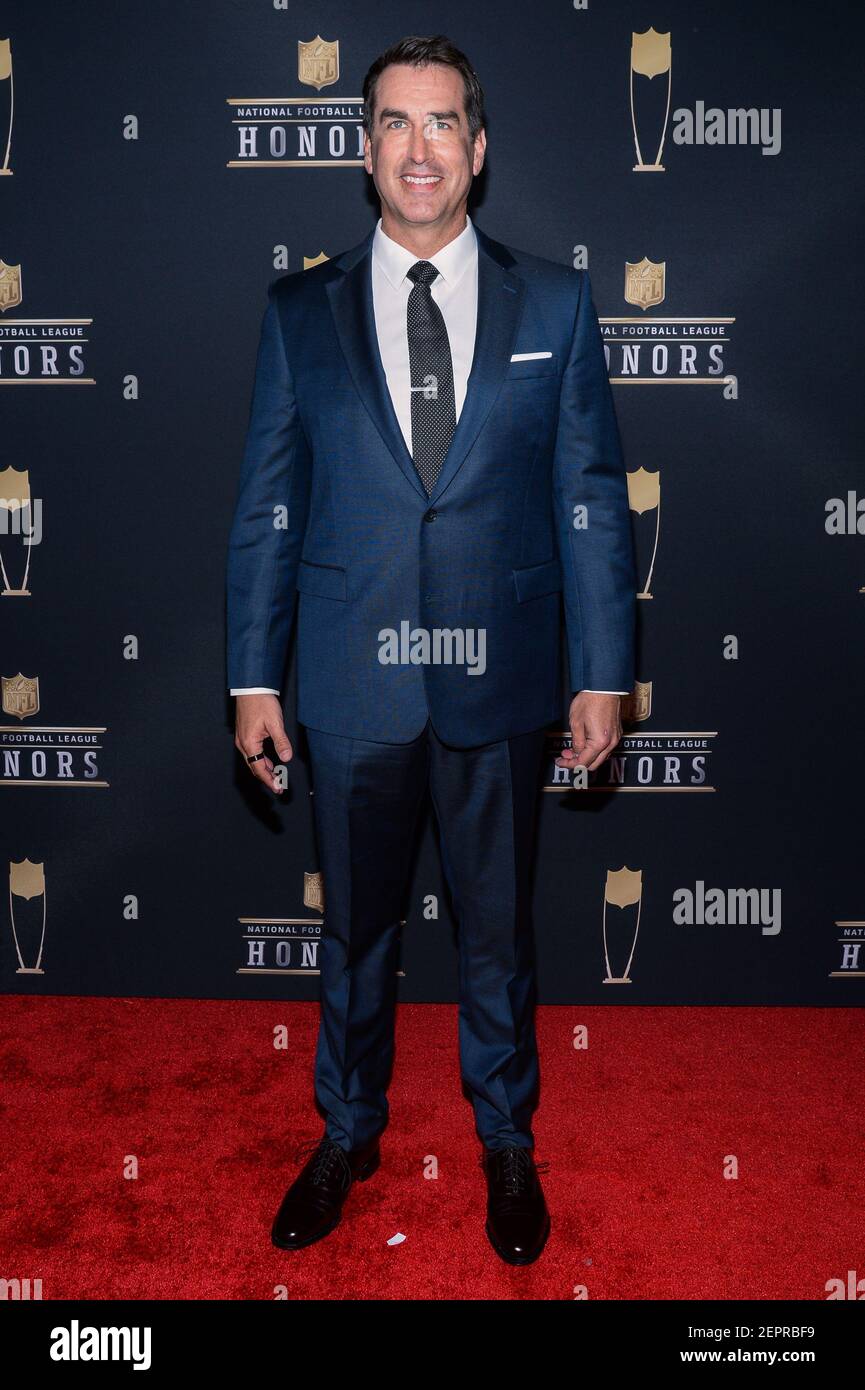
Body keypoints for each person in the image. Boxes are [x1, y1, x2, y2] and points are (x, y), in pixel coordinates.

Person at [226, 34, 636, 1266]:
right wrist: (254, 673)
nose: (420, 147)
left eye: (442, 123)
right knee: (352, 930)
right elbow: (268, 503)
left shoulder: (554, 303)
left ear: (479, 148)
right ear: (362, 150)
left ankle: (505, 1139)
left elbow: (592, 498)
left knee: (499, 927)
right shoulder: (298, 311)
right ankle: (347, 1131)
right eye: (395, 124)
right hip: (349, 683)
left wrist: (603, 668)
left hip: (501, 676)